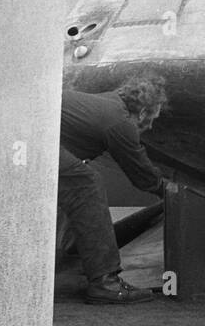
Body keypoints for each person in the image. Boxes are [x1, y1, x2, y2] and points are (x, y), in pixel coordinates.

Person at [59, 75, 169, 303]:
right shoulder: (120, 123)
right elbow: (142, 175)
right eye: (153, 118)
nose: (150, 125)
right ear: (142, 113)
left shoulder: (107, 103)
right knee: (86, 185)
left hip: (31, 134)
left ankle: (72, 268)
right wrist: (170, 192)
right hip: (40, 137)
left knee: (75, 183)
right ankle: (105, 282)